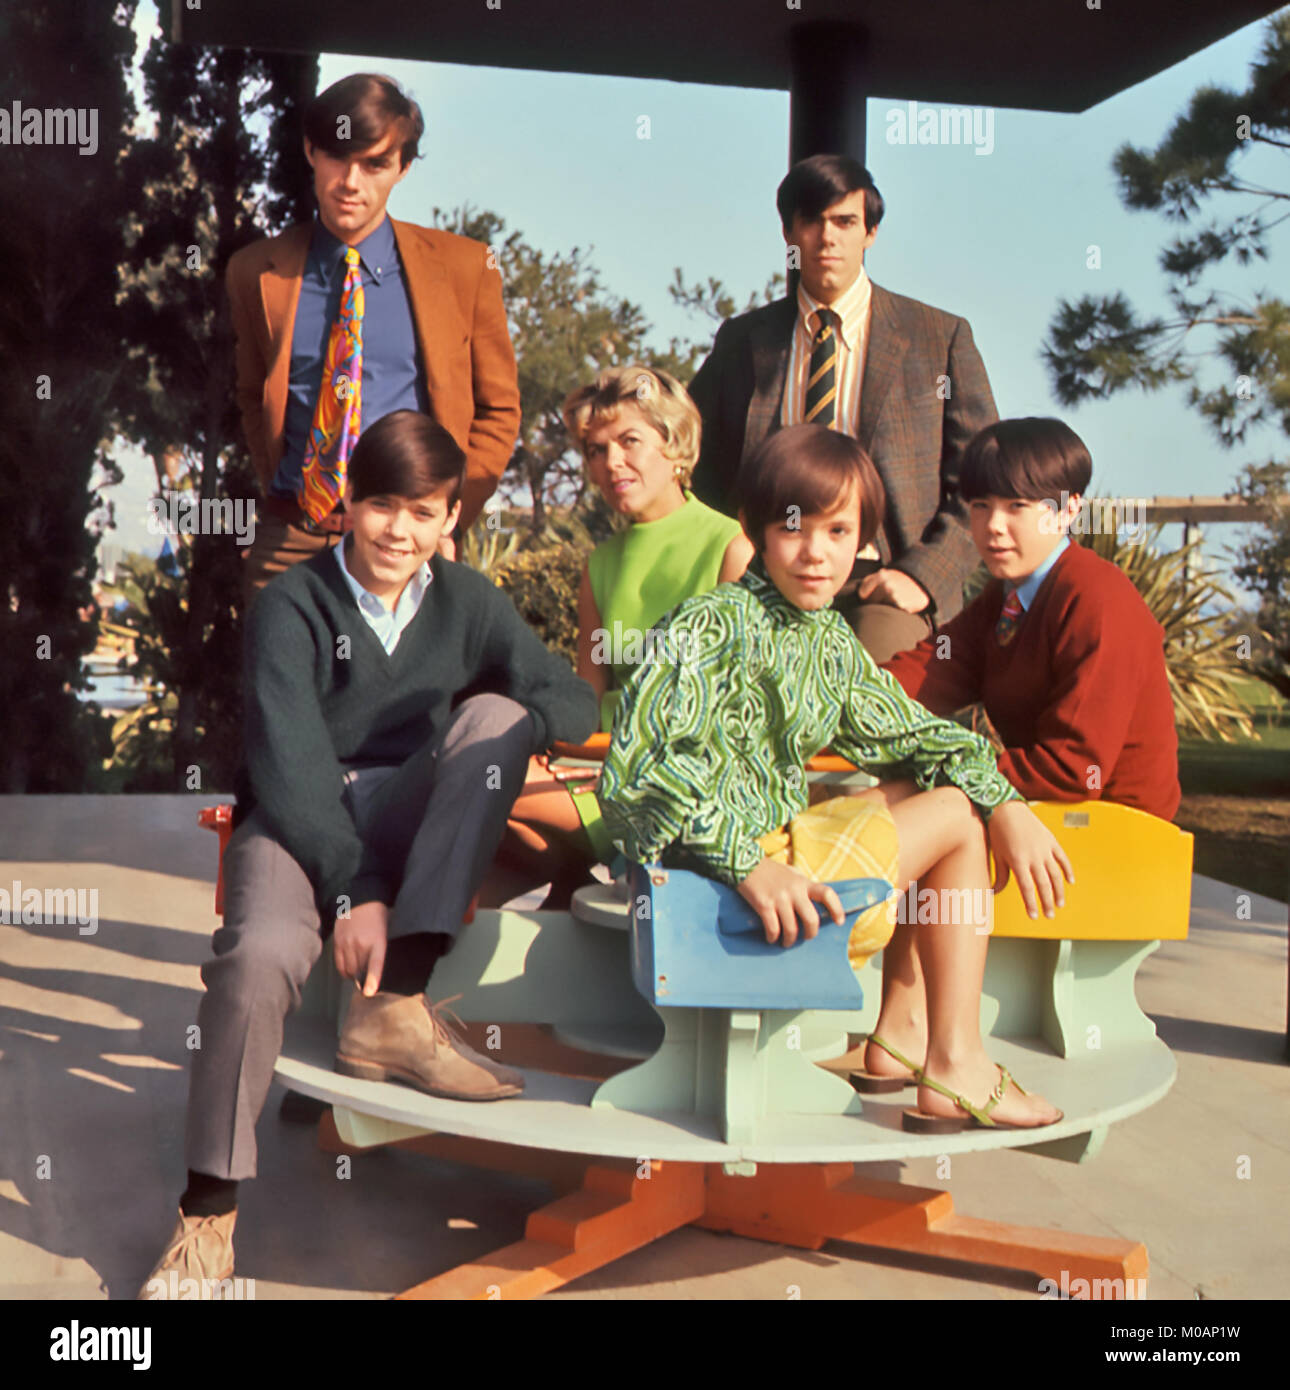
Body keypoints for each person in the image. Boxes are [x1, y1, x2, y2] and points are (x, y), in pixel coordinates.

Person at [140, 411, 597, 1295]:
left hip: (408, 802)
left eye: (424, 513)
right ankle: (206, 1220)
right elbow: (291, 762)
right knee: (258, 956)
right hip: (299, 811)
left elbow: (566, 696)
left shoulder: (469, 603)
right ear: (348, 504)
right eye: (384, 505)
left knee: (499, 718)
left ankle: (396, 1003)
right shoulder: (291, 604)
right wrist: (355, 890)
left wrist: (518, 720)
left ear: (449, 523)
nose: (401, 531)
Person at [599, 422, 1072, 1135]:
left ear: (863, 543)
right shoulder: (711, 623)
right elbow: (636, 776)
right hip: (705, 891)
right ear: (757, 531)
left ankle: (909, 1035)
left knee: (934, 790)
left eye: (838, 531)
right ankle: (955, 1060)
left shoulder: (822, 639)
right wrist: (747, 863)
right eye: (793, 530)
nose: (816, 553)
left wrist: (1008, 803)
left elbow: (918, 736)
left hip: (758, 864)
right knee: (952, 816)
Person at [687, 154, 997, 663]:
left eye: (844, 221)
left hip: (885, 582)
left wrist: (925, 575)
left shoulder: (938, 338)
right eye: (811, 221)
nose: (827, 237)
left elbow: (983, 479)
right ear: (789, 233)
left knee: (886, 717)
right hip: (763, 584)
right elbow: (691, 462)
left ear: (870, 232)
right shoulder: (744, 341)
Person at [228, 72, 521, 599]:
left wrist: (442, 520)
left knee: (408, 684)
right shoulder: (255, 272)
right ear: (311, 151)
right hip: (291, 538)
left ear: (403, 168)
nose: (351, 181)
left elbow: (498, 411)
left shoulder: (465, 269)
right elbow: (253, 394)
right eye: (339, 157)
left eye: (375, 164)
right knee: (277, 680)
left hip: (405, 541)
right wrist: (283, 499)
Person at [487, 366, 753, 908]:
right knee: (480, 774)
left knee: (488, 787)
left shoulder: (731, 548)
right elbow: (590, 698)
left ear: (675, 445)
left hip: (674, 788)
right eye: (594, 450)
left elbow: (732, 716)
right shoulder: (600, 565)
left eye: (630, 441)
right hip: (596, 767)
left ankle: (574, 878)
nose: (610, 463)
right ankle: (570, 884)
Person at [883, 418, 1181, 821]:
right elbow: (927, 673)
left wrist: (950, 769)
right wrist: (835, 700)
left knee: (927, 809)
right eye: (980, 506)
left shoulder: (1097, 599)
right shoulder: (1005, 599)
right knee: (885, 802)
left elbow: (1074, 771)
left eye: (1016, 507)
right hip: (1043, 808)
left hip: (1111, 825)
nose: (993, 526)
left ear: (1067, 510)